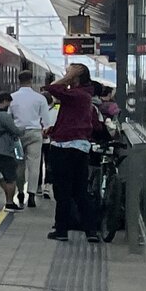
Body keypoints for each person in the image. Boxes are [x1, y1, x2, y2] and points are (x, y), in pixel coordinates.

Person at [43, 63, 102, 242]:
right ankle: (91, 231)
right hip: (79, 147)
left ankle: (61, 230)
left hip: (65, 147)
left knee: (63, 191)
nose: (66, 75)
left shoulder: (77, 94)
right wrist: (55, 129)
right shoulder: (85, 96)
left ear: (76, 77)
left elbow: (51, 88)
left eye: (69, 73)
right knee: (80, 191)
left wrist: (68, 78)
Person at [9, 70, 52, 208]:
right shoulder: (40, 98)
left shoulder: (12, 98)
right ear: (31, 80)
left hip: (17, 135)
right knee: (34, 165)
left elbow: (9, 117)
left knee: (19, 164)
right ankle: (32, 194)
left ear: (19, 80)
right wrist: (45, 129)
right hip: (34, 134)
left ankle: (20, 192)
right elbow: (46, 120)